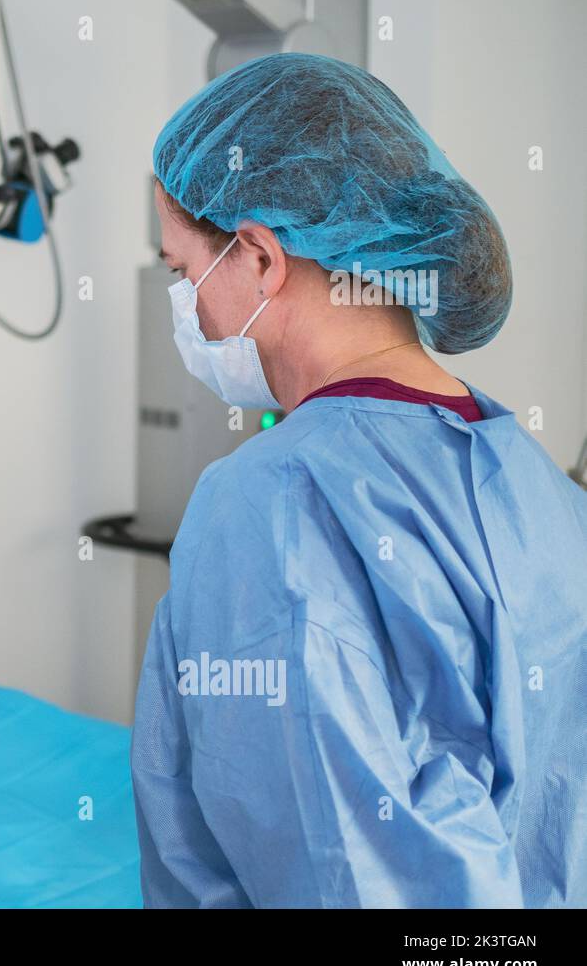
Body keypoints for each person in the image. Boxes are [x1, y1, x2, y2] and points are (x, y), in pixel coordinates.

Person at [130, 54, 586, 908]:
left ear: (261, 258)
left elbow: (340, 867)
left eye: (183, 273)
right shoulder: (538, 485)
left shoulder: (272, 502)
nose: (187, 308)